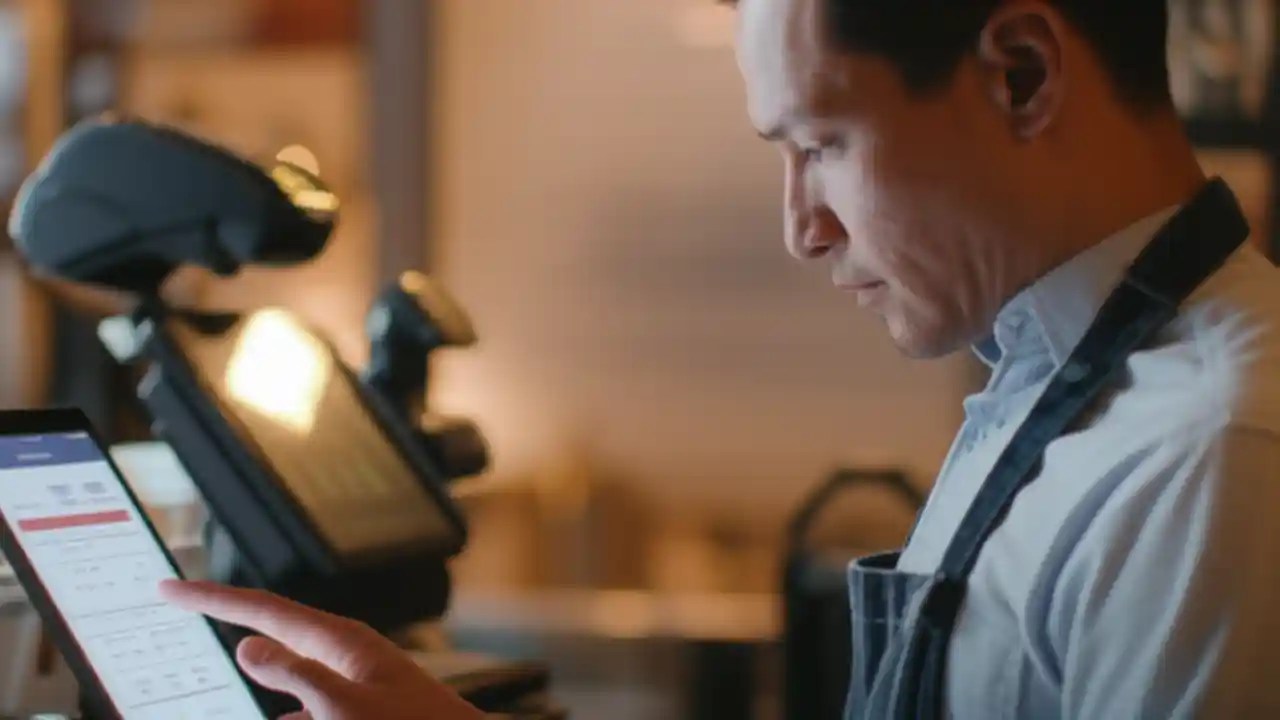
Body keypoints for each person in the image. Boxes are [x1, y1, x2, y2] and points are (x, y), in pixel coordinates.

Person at [162, 0, 1280, 717]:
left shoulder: (1208, 460)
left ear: (1022, 74)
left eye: (821, 144)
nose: (801, 228)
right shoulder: (1051, 387)